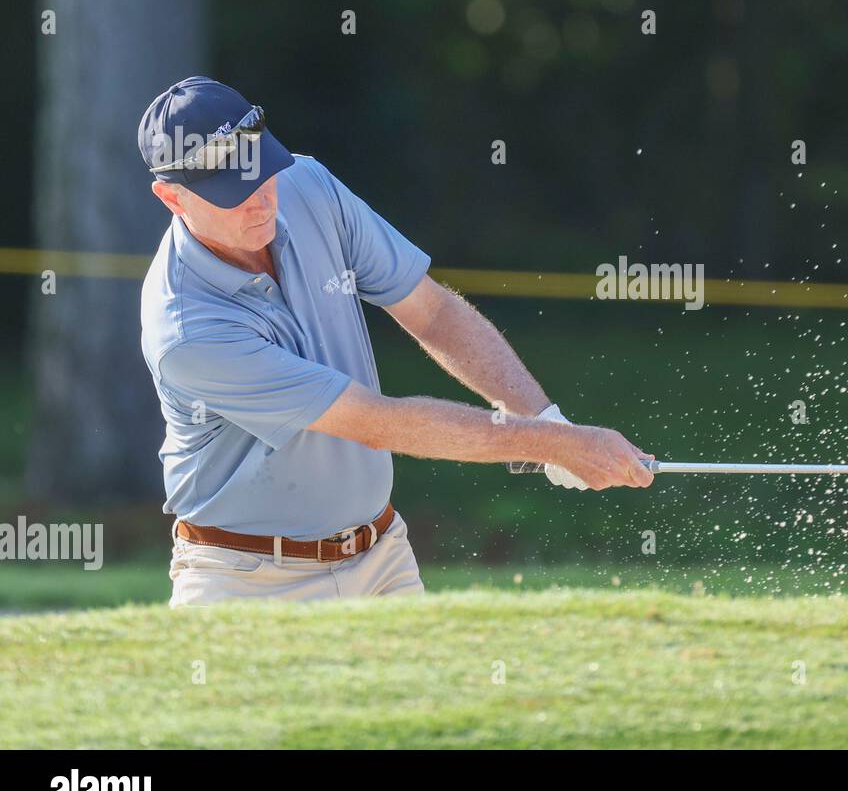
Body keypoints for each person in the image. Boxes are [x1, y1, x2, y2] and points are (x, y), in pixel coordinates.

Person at [137, 76, 653, 607]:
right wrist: (557, 445)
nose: (260, 199)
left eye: (261, 170)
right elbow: (374, 423)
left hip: (381, 557)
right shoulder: (187, 328)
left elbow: (431, 310)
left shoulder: (307, 187)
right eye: (232, 190)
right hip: (244, 581)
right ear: (172, 196)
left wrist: (546, 420)